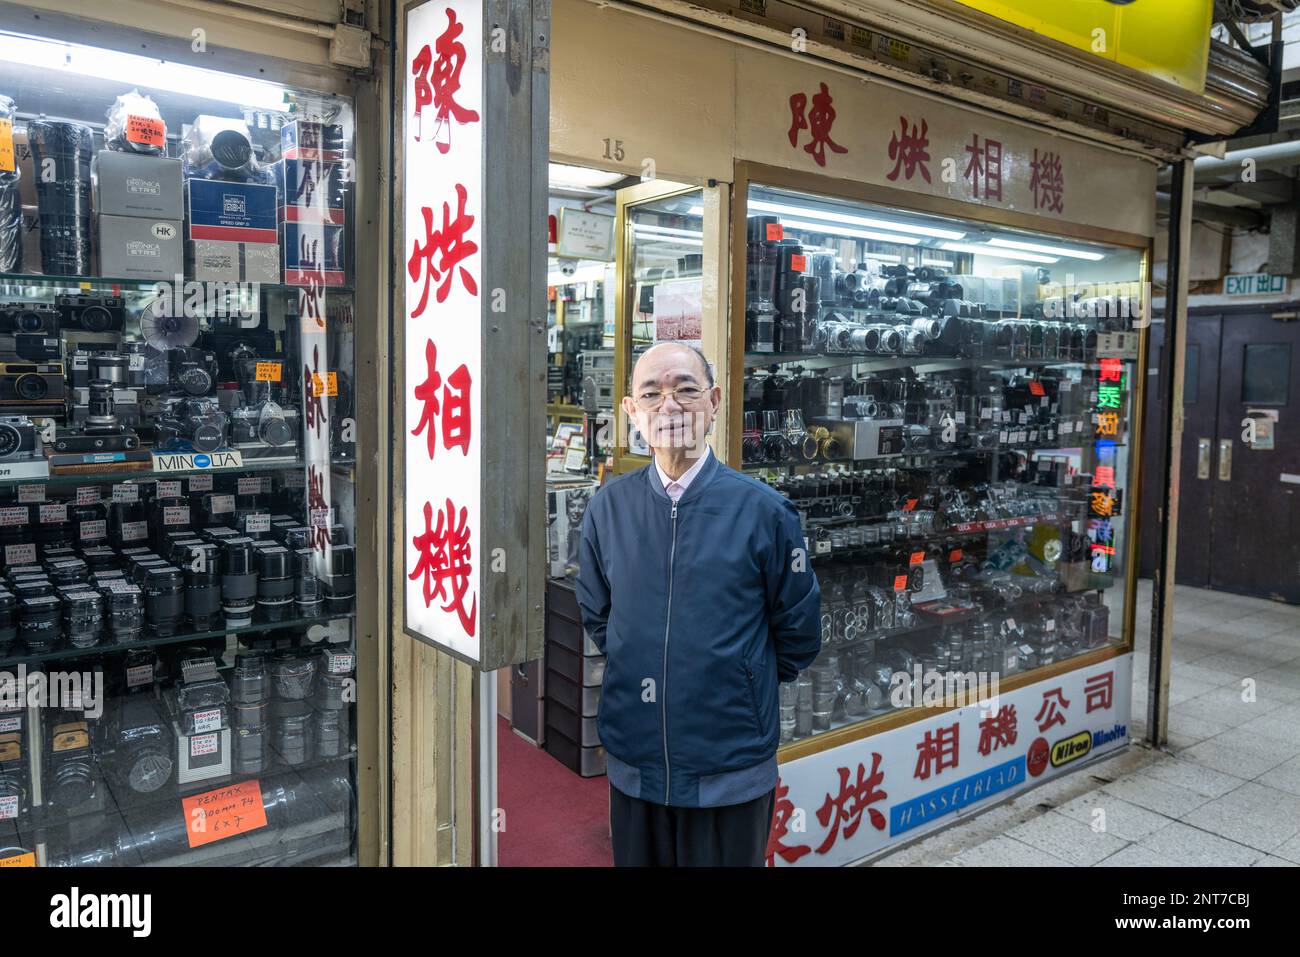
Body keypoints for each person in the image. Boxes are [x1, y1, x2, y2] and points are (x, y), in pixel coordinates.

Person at [575, 341, 822, 867]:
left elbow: (798, 632)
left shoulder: (764, 511)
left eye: (685, 390)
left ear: (713, 401)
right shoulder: (608, 509)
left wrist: (740, 677)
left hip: (728, 765)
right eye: (651, 394)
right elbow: (599, 616)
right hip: (637, 760)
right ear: (631, 412)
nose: (669, 407)